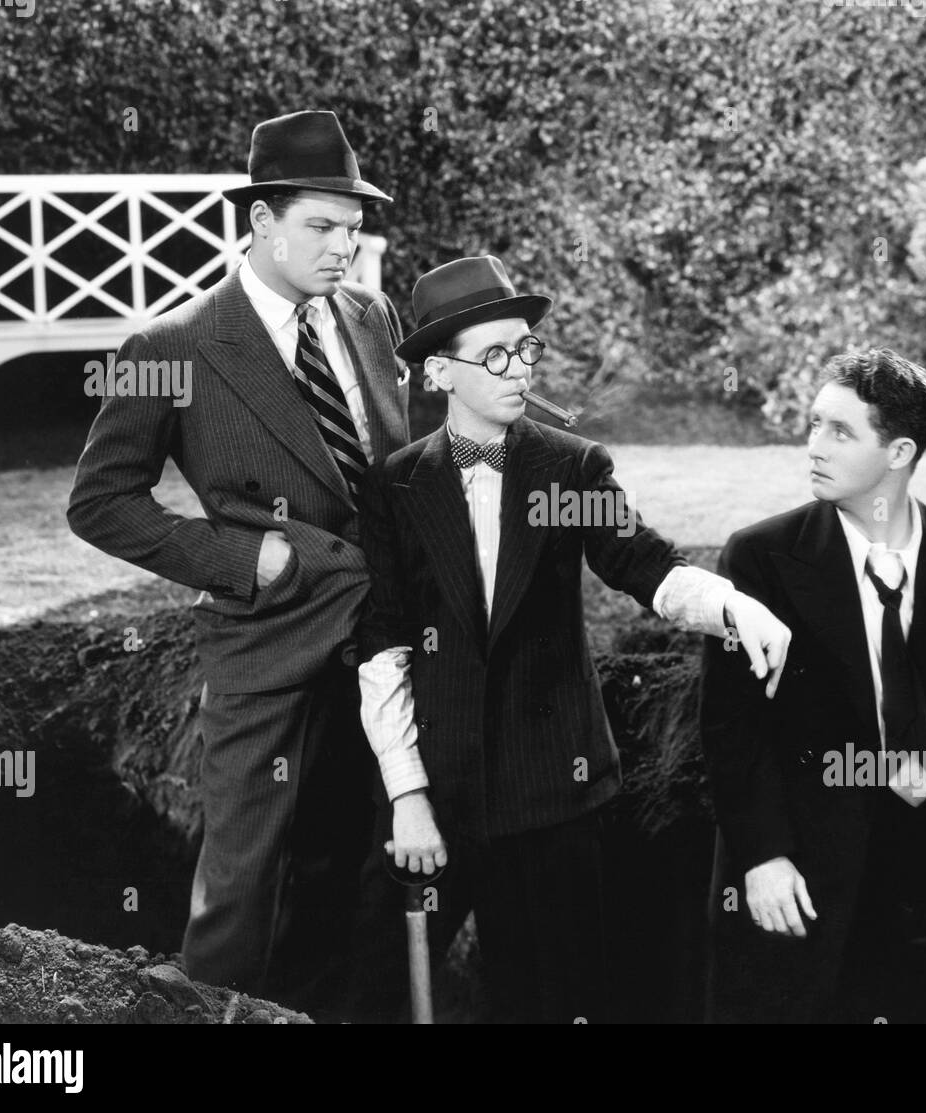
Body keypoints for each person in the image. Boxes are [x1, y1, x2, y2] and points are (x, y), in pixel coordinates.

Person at [354, 255, 792, 1023]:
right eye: (494, 355)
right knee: (386, 983)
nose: (518, 368)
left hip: (560, 786)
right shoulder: (394, 485)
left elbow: (644, 563)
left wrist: (733, 607)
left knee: (566, 998)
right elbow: (385, 644)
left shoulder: (568, 467)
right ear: (437, 373)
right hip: (445, 792)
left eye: (526, 348)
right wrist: (409, 794)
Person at [67, 110, 411, 1018]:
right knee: (242, 889)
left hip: (385, 638)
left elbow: (398, 464)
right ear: (261, 222)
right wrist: (242, 557)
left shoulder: (372, 316)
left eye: (354, 226)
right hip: (270, 642)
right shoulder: (167, 349)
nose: (347, 245)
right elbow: (99, 502)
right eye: (323, 226)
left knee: (372, 863)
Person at [699, 348, 926, 1023]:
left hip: (910, 868)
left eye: (840, 431)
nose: (813, 445)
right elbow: (730, 722)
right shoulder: (760, 556)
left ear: (899, 451)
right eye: (813, 424)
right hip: (794, 868)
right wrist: (762, 856)